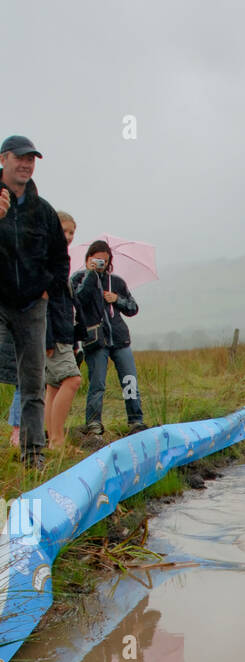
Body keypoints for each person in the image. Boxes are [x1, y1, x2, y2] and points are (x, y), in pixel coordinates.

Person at [0, 134, 69, 468]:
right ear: (4, 159)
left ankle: (33, 455)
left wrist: (48, 290)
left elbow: (60, 258)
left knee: (32, 382)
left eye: (32, 159)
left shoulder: (43, 212)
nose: (27, 164)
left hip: (32, 307)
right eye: (20, 158)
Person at [71, 240, 146, 438]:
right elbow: (78, 301)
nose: (100, 263)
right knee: (97, 384)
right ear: (88, 259)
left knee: (129, 380)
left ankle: (135, 420)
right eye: (96, 259)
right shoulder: (78, 278)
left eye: (104, 260)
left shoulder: (117, 282)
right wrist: (90, 275)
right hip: (95, 340)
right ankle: (94, 423)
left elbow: (133, 308)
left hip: (120, 338)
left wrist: (116, 299)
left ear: (109, 261)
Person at [44, 211, 84, 448]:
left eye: (72, 233)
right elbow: (44, 301)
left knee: (53, 386)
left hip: (63, 332)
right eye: (64, 230)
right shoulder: (48, 258)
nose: (68, 236)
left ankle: (51, 438)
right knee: (72, 380)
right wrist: (47, 339)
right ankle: (57, 439)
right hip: (54, 333)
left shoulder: (57, 256)